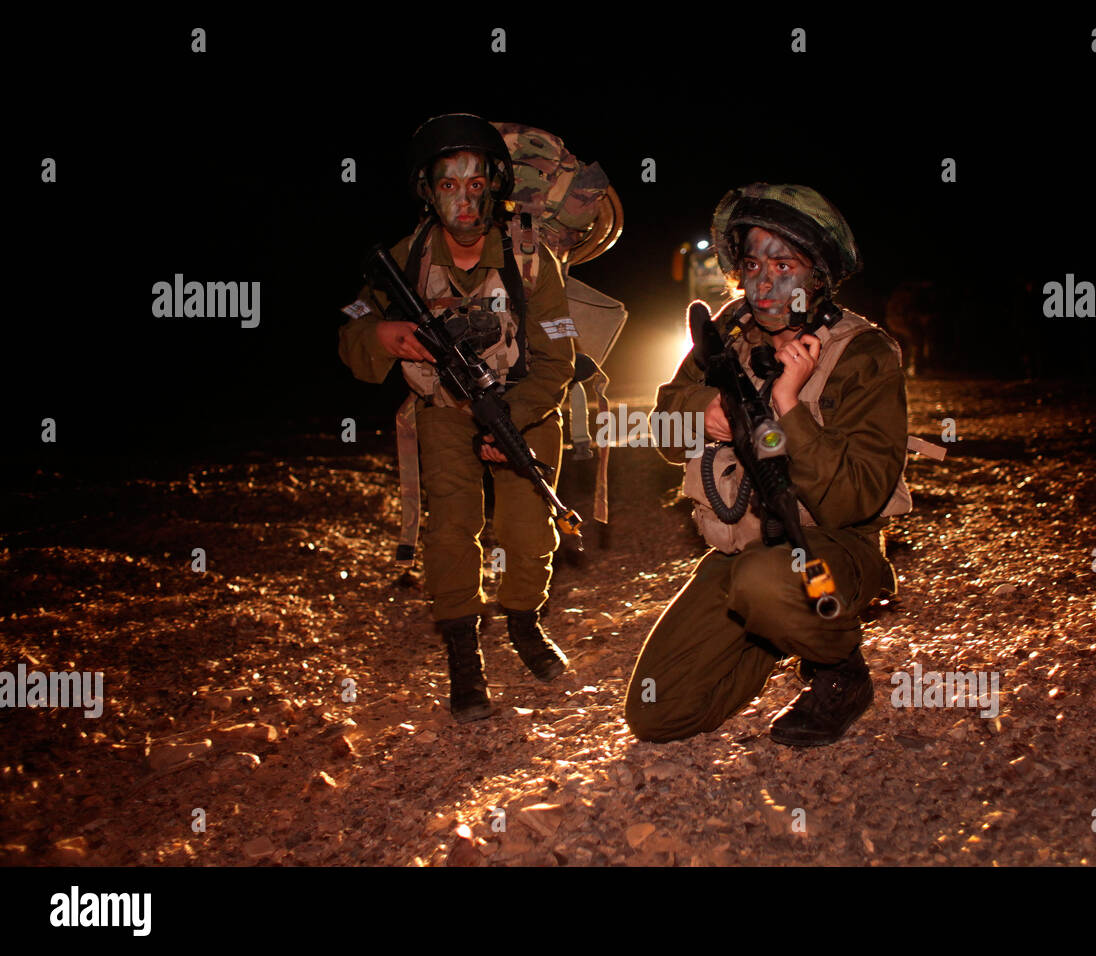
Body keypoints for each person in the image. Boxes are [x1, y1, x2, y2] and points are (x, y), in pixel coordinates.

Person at [625, 183, 910, 747]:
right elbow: (661, 425)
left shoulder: (864, 352)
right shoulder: (730, 331)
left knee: (766, 582)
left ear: (819, 277)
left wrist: (789, 408)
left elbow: (855, 498)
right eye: (753, 263)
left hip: (831, 548)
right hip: (744, 552)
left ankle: (839, 671)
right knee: (659, 712)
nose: (763, 282)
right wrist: (699, 412)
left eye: (784, 264)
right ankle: (775, 628)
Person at [338, 114, 575, 722]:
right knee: (450, 532)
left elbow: (556, 356)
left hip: (523, 403)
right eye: (449, 185)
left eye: (476, 185)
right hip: (443, 410)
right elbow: (352, 328)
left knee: (529, 530)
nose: (464, 199)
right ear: (428, 189)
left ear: (494, 187)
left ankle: (524, 622)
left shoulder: (530, 257)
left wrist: (510, 422)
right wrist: (382, 332)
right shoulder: (404, 258)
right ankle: (464, 655)